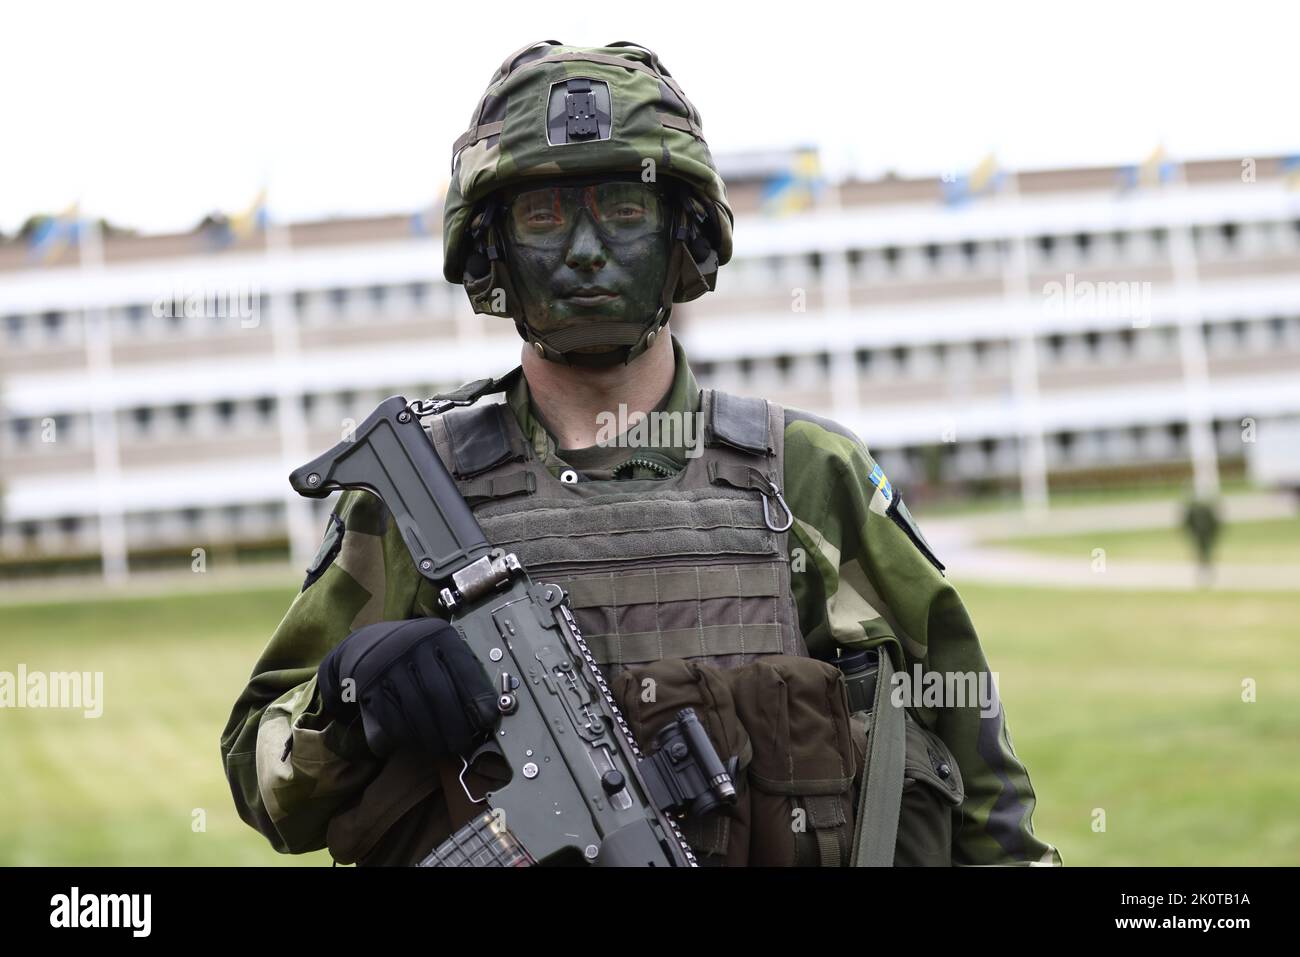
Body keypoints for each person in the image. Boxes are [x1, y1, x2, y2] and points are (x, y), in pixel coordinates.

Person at [221, 40, 1059, 867]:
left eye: (625, 210)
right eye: (544, 215)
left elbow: (980, 782)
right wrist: (349, 695)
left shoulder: (808, 475)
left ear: (681, 237)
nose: (585, 250)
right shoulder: (416, 496)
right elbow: (261, 775)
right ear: (492, 250)